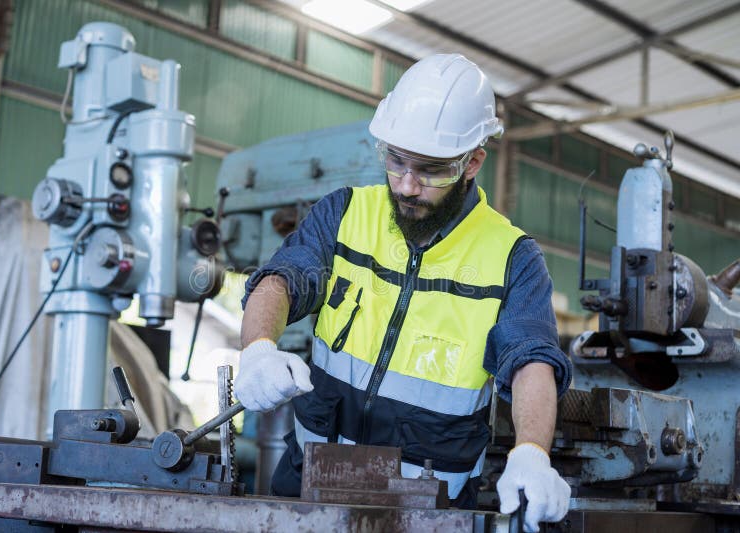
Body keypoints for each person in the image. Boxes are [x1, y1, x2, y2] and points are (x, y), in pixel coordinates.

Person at [235, 53, 571, 532]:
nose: (407, 185)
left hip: (431, 515)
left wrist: (532, 454)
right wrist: (258, 347)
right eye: (395, 160)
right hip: (307, 493)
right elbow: (281, 279)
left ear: (473, 161)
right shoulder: (345, 214)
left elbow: (532, 362)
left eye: (430, 170)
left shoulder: (513, 258)